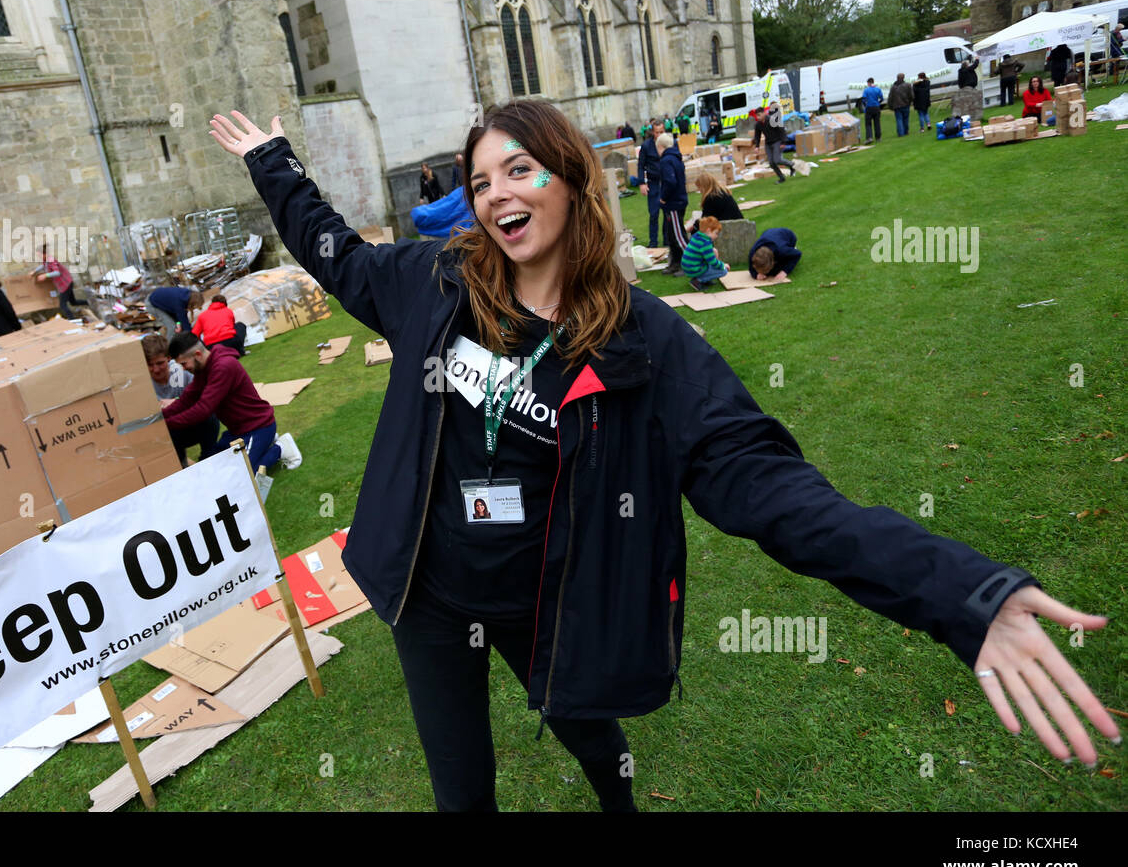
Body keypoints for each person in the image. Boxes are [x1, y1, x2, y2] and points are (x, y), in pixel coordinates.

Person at [207, 102, 1118, 814]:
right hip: (427, 593)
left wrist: (960, 592)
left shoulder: (645, 343)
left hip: (550, 597)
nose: (495, 195)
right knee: (462, 791)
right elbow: (333, 251)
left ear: (569, 178)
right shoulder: (433, 285)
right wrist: (274, 164)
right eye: (480, 181)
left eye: (517, 169)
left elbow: (769, 484)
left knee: (594, 739)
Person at [162, 331, 299, 473]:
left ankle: (281, 448)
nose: (184, 369)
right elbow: (187, 399)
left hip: (257, 427)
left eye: (184, 364)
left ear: (197, 354)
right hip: (237, 432)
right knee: (211, 467)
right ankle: (263, 444)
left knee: (243, 475)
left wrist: (166, 424)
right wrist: (160, 417)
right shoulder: (202, 369)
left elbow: (203, 409)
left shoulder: (223, 367)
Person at [142, 333, 219, 467]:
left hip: (190, 423)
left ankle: (208, 457)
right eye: (150, 365)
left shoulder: (182, 370)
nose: (155, 369)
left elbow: (203, 399)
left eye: (160, 363)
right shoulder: (141, 384)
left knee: (211, 417)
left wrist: (175, 401)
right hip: (164, 432)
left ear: (169, 358)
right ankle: (179, 465)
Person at [656, 132, 689, 276]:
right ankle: (675, 262)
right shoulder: (677, 158)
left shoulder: (666, 161)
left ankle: (689, 262)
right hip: (679, 200)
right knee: (671, 234)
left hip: (673, 202)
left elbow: (670, 181)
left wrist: (663, 197)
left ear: (661, 147)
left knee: (678, 235)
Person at [679, 216, 728, 290]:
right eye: (716, 233)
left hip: (689, 266)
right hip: (694, 269)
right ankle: (698, 281)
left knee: (713, 251)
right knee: (723, 271)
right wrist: (723, 265)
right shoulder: (705, 243)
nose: (716, 236)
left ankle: (705, 280)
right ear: (708, 231)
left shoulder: (697, 236)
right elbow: (712, 261)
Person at [35, 252, 87, 319]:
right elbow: (43, 266)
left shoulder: (51, 260)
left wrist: (45, 275)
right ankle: (90, 302)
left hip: (65, 284)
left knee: (62, 305)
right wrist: (35, 271)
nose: (39, 256)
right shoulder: (46, 261)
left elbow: (57, 272)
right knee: (73, 302)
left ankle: (72, 320)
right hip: (66, 283)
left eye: (39, 255)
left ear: (45, 253)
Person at [637, 119, 663, 248]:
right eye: (657, 132)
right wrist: (642, 183)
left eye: (662, 132)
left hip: (666, 182)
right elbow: (641, 165)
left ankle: (668, 240)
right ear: (653, 132)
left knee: (669, 214)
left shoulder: (670, 143)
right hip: (653, 183)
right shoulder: (646, 146)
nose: (659, 135)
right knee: (654, 213)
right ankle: (653, 242)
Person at [752, 101, 793, 183]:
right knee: (771, 163)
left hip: (777, 141)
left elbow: (781, 130)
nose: (758, 117)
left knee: (777, 160)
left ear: (764, 113)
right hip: (768, 143)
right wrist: (757, 146)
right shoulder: (758, 125)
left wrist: (783, 142)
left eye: (759, 115)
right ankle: (782, 178)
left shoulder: (772, 120)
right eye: (757, 116)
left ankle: (792, 165)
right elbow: (757, 136)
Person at [861, 78, 884, 143]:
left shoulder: (866, 90)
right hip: (876, 107)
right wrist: (878, 103)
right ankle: (878, 137)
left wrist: (866, 106)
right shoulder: (878, 89)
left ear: (868, 83)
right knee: (877, 123)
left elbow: (863, 99)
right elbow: (881, 98)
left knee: (868, 123)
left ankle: (869, 137)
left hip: (869, 108)